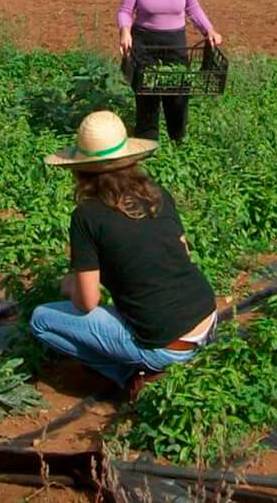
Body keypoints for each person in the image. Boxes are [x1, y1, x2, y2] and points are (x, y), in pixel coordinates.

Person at [29, 110, 217, 396]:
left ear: (80, 170)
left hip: (167, 345)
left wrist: (69, 285)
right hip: (207, 319)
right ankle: (151, 364)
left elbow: (88, 302)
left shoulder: (87, 216)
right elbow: (183, 251)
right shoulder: (156, 193)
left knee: (41, 320)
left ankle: (127, 377)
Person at [116, 0, 223, 143]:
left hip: (175, 41)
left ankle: (178, 140)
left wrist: (209, 29)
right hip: (145, 41)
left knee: (177, 93)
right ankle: (146, 143)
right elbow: (125, 11)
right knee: (147, 94)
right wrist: (125, 31)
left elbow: (193, 7)